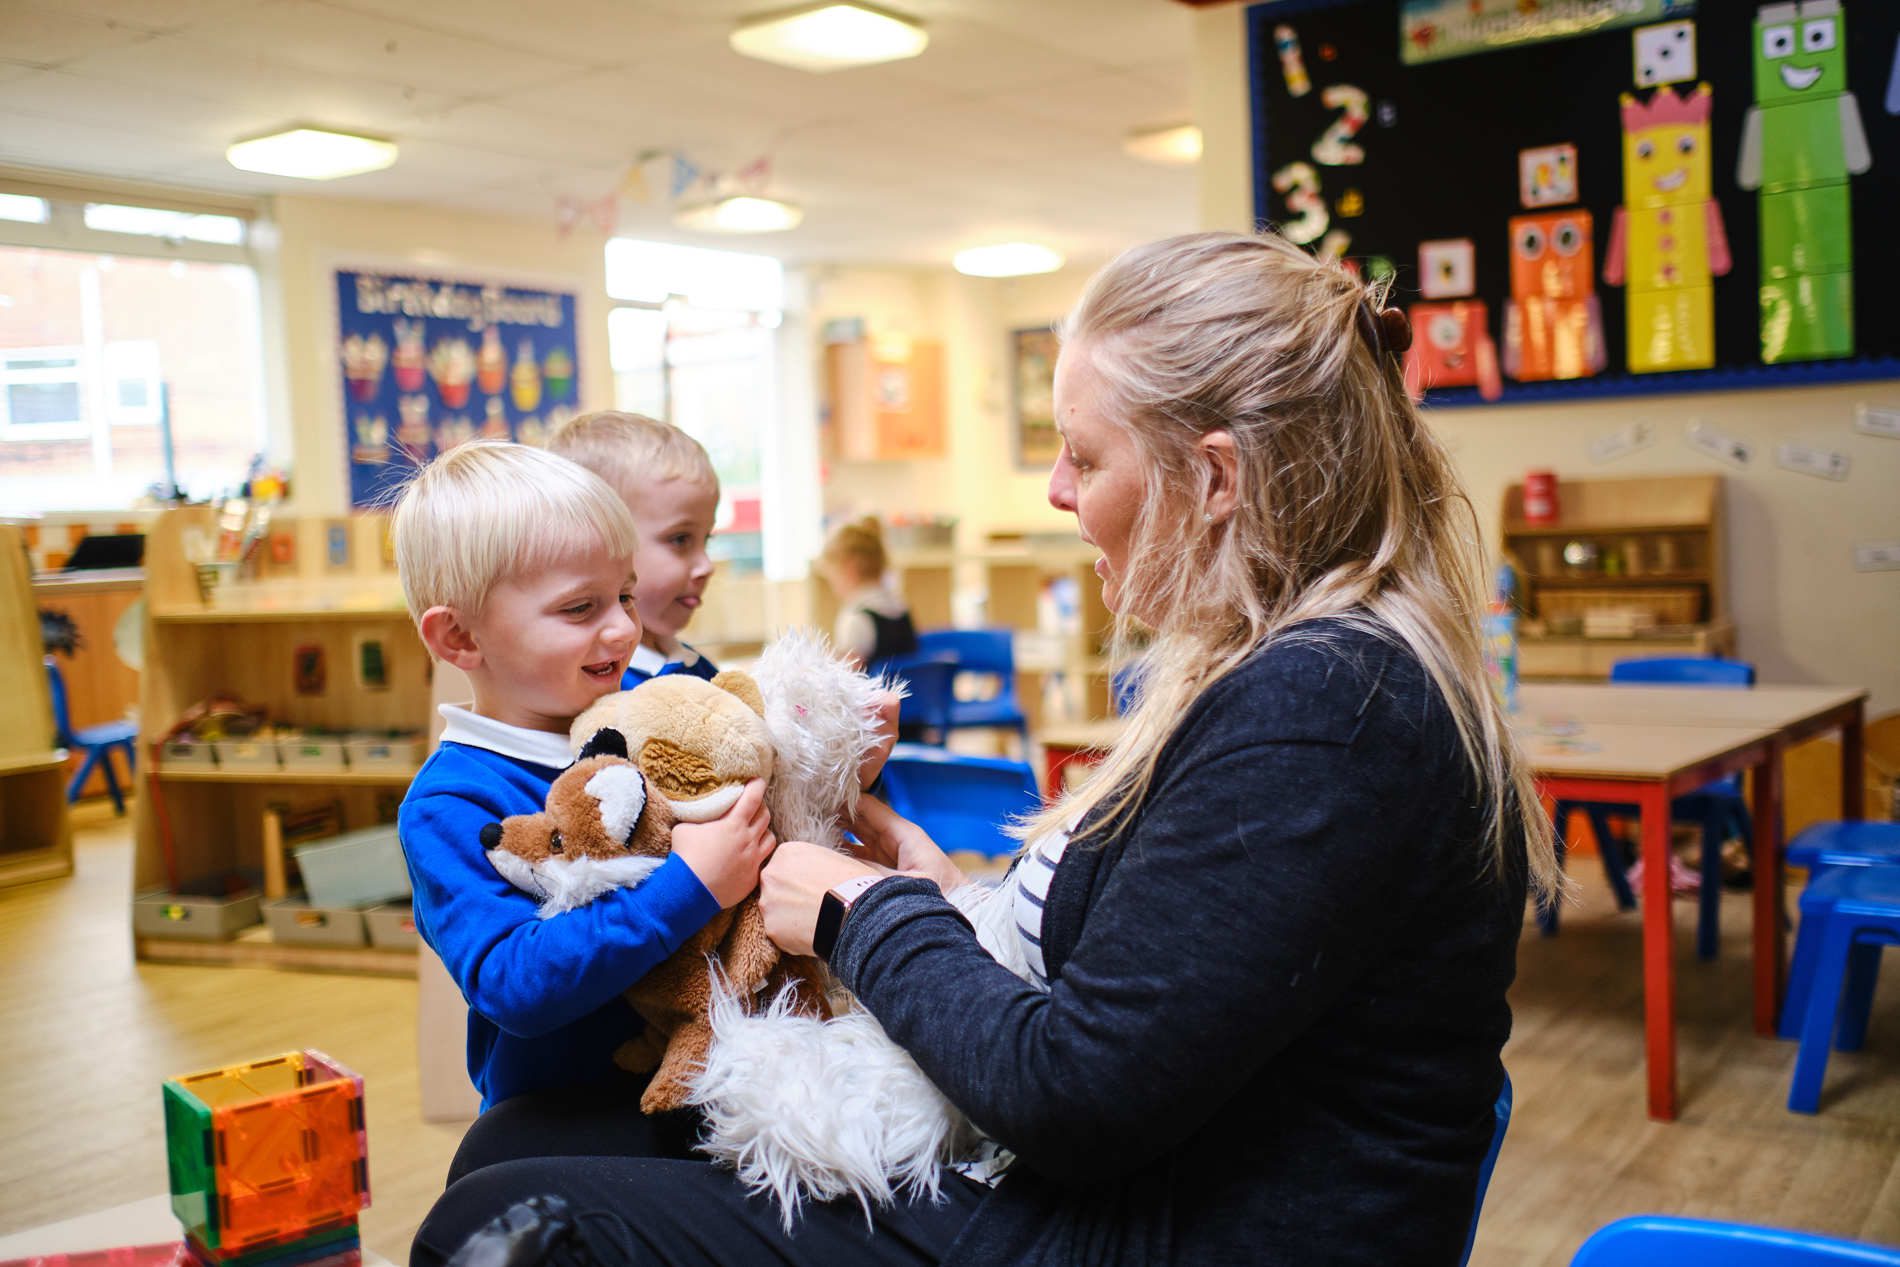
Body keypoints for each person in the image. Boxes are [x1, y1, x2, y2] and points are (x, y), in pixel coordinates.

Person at [414, 231, 1562, 1266]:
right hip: (1126, 1187)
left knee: (499, 1222)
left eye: (1084, 456)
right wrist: (947, 899)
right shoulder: (1306, 678)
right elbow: (1169, 978)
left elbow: (1077, 1092)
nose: (1058, 492)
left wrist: (869, 916)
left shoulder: (1324, 707)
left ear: (1212, 478)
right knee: (514, 1143)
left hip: (1136, 1227)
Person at [392, 440, 777, 1199]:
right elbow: (516, 981)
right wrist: (690, 887)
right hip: (570, 1130)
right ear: (460, 637)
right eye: (580, 608)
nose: (622, 630)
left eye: (626, 596)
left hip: (721, 1084)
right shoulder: (451, 804)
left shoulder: (645, 715)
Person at [548, 410, 722, 688]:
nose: (706, 566)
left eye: (706, 539)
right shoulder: (594, 685)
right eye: (680, 539)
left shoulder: (699, 669)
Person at [817, 515, 918, 669]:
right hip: (914, 692)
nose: (833, 588)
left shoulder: (855, 619)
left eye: (833, 578)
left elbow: (846, 680)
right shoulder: (901, 607)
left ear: (848, 569)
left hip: (877, 693)